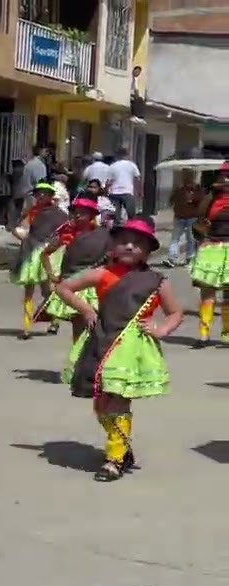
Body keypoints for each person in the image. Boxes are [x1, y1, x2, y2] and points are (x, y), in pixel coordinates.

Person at [56, 216, 182, 482]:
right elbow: (64, 287)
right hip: (102, 340)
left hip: (131, 347)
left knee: (118, 397)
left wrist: (161, 329)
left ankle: (113, 459)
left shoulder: (157, 281)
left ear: (148, 252)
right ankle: (122, 447)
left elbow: (175, 312)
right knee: (101, 404)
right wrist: (87, 309)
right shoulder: (102, 273)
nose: (129, 247)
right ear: (112, 246)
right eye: (123, 241)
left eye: (137, 244)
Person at [38, 197, 108, 342]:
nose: (77, 215)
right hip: (73, 286)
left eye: (83, 212)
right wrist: (52, 276)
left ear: (92, 215)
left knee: (99, 326)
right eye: (75, 212)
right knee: (79, 327)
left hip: (96, 285)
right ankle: (79, 359)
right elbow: (45, 253)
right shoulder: (66, 234)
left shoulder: (104, 235)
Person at [9, 183, 70, 339]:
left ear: (51, 196)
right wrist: (21, 235)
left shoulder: (60, 214)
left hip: (50, 254)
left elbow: (66, 233)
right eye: (38, 194)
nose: (41, 196)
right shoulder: (31, 212)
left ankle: (54, 320)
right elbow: (19, 228)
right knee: (28, 290)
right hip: (31, 252)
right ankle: (27, 327)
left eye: (44, 193)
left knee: (49, 290)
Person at [189, 161, 229, 348]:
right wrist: (201, 236)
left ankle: (227, 335)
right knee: (208, 293)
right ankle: (203, 333)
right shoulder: (210, 197)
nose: (227, 178)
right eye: (224, 175)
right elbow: (198, 222)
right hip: (212, 247)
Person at [165, 169, 205, 267]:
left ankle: (188, 258)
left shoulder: (196, 189)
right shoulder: (180, 189)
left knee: (189, 239)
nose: (187, 178)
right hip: (181, 217)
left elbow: (200, 201)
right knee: (177, 238)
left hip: (190, 217)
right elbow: (171, 201)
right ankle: (173, 257)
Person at [107, 148, 141, 224]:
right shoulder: (132, 165)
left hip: (114, 192)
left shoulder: (112, 166)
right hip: (127, 192)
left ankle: (116, 229)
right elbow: (137, 179)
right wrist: (139, 191)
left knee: (115, 216)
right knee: (131, 215)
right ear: (127, 155)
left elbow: (109, 181)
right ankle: (131, 228)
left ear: (117, 156)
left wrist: (106, 191)